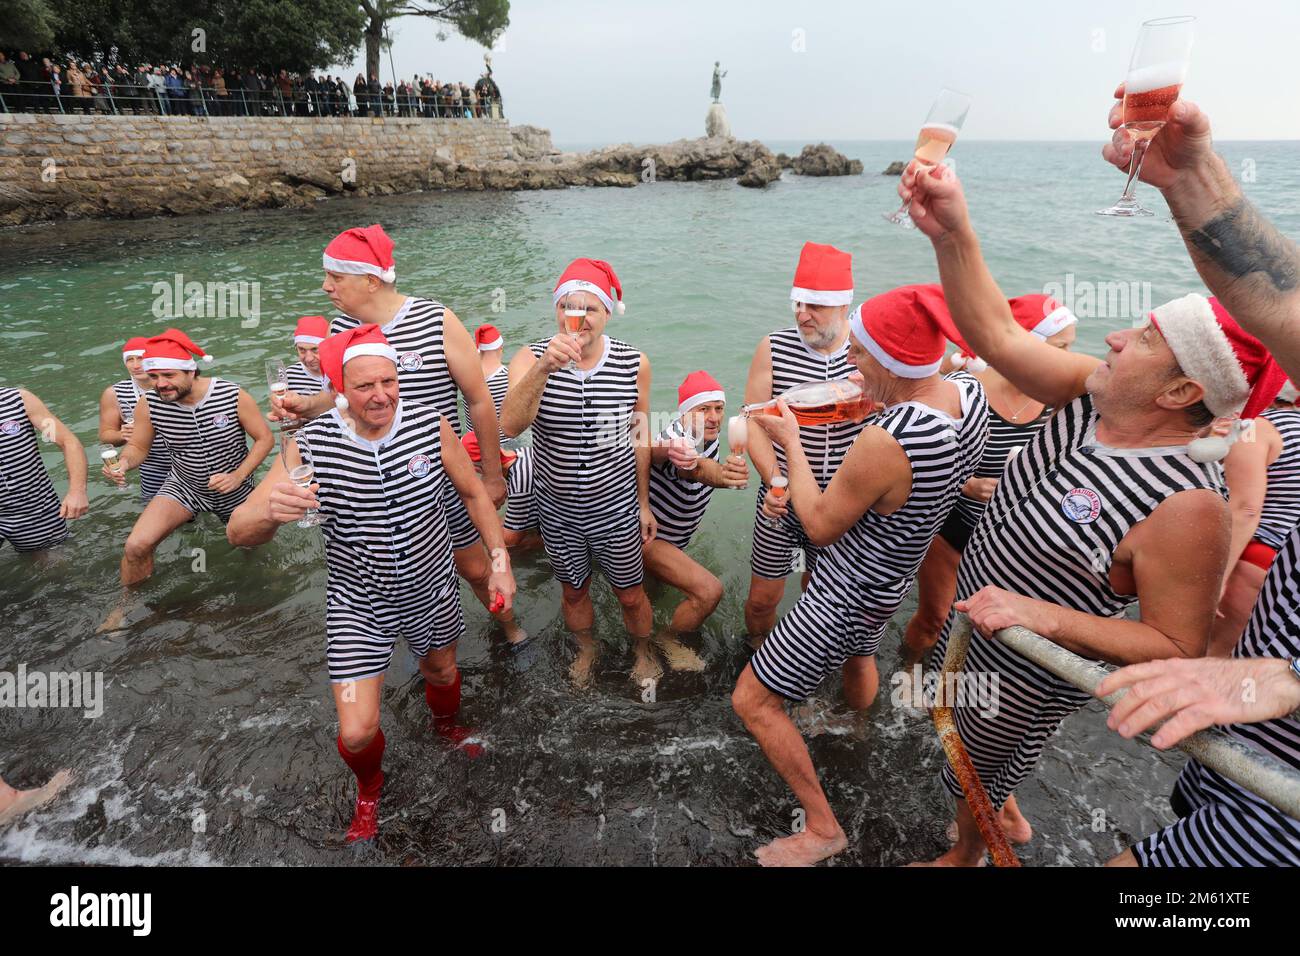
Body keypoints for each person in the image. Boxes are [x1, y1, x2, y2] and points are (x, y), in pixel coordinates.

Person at [900, 159, 1282, 867]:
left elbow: (1175, 647)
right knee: (955, 729)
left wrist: (1043, 618)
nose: (1111, 340)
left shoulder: (1187, 506)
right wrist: (952, 232)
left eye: (1142, 339)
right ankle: (999, 811)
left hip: (1029, 664)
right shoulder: (1091, 395)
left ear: (1179, 392)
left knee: (974, 765)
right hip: (981, 622)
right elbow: (996, 335)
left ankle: (966, 855)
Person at [1093, 86, 1300, 868]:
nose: (1116, 338)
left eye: (1144, 337)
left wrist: (1286, 675)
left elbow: (1245, 515)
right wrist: (1189, 178)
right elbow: (1287, 301)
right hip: (1245, 737)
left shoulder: (1252, 445)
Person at [228, 324, 516, 842]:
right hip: (358, 601)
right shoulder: (309, 442)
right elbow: (238, 532)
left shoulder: (430, 425)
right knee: (358, 733)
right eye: (365, 386)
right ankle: (369, 788)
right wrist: (273, 514)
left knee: (442, 670)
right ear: (340, 388)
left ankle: (446, 728)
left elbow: (474, 494)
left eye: (388, 381)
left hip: (431, 586)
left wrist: (499, 560)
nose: (380, 394)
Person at [733, 284, 990, 867]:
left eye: (862, 353)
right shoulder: (965, 397)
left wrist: (793, 443)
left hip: (847, 585)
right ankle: (854, 728)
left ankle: (823, 828)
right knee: (858, 658)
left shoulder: (889, 437)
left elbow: (821, 526)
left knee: (752, 701)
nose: (850, 361)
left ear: (894, 364)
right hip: (894, 573)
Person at [272, 225, 519, 641]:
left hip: (438, 474)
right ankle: (405, 640)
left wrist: (491, 475)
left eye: (335, 277)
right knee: (384, 570)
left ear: (370, 280)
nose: (325, 286)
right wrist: (303, 406)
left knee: (474, 567)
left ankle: (511, 630)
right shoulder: (339, 327)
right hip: (371, 480)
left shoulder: (435, 319)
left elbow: (478, 400)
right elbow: (338, 397)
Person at [500, 258, 658, 686]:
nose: (579, 316)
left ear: (607, 313)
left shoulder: (632, 363)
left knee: (630, 594)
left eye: (590, 307)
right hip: (558, 507)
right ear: (556, 309)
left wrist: (644, 503)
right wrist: (544, 368)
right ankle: (588, 649)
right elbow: (510, 424)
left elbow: (641, 434)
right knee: (574, 590)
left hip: (618, 505)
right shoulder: (530, 357)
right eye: (569, 305)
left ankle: (643, 651)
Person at [901, 295, 1078, 667]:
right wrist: (966, 484)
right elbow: (912, 459)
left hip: (1008, 538)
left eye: (1071, 347)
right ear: (1027, 345)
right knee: (935, 620)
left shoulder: (1057, 400)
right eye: (1061, 347)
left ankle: (954, 695)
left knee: (986, 630)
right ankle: (910, 682)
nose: (1070, 358)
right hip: (949, 530)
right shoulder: (964, 390)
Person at [743, 242, 868, 648]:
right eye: (798, 302)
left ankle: (806, 665)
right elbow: (753, 422)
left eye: (813, 305)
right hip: (778, 498)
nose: (801, 313)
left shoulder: (868, 354)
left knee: (820, 596)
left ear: (842, 306)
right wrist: (774, 479)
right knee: (763, 600)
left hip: (839, 502)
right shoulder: (774, 347)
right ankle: (756, 662)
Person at [103, 330, 273, 594]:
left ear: (191, 372)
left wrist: (238, 476)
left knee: (251, 549)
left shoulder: (231, 394)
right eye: (154, 376)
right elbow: (137, 446)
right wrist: (124, 463)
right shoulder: (148, 404)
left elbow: (264, 439)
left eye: (169, 376)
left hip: (235, 487)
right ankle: (127, 606)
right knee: (136, 546)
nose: (160, 384)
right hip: (184, 486)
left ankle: (258, 592)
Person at [643, 370, 748, 669]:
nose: (713, 417)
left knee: (649, 595)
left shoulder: (707, 436)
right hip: (650, 540)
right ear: (685, 413)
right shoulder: (678, 441)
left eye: (718, 408)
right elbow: (694, 468)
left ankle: (639, 638)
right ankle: (666, 639)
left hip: (669, 540)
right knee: (708, 591)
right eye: (703, 409)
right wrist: (725, 477)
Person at [1211, 383, 1300, 654]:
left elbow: (1246, 509)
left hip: (1255, 555)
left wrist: (1217, 579)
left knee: (1203, 655)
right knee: (1241, 662)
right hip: (1288, 568)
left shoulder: (1259, 428)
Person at [468, 323, 539, 550]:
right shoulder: (510, 375)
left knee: (508, 493)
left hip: (485, 444)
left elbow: (473, 424)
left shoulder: (471, 383)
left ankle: (522, 523)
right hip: (516, 441)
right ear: (500, 349)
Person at [0, 386, 88, 553]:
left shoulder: (18, 400)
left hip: (35, 507)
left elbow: (67, 442)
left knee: (53, 571)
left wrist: (77, 491)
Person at [98, 336, 172, 504]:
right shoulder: (115, 393)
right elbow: (105, 436)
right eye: (130, 360)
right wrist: (121, 435)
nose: (136, 365)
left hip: (188, 461)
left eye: (141, 358)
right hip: (151, 467)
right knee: (159, 518)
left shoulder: (172, 385)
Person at [285, 316, 329, 394]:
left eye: (315, 350)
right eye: (302, 350)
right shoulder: (288, 376)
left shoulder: (344, 372)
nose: (309, 359)